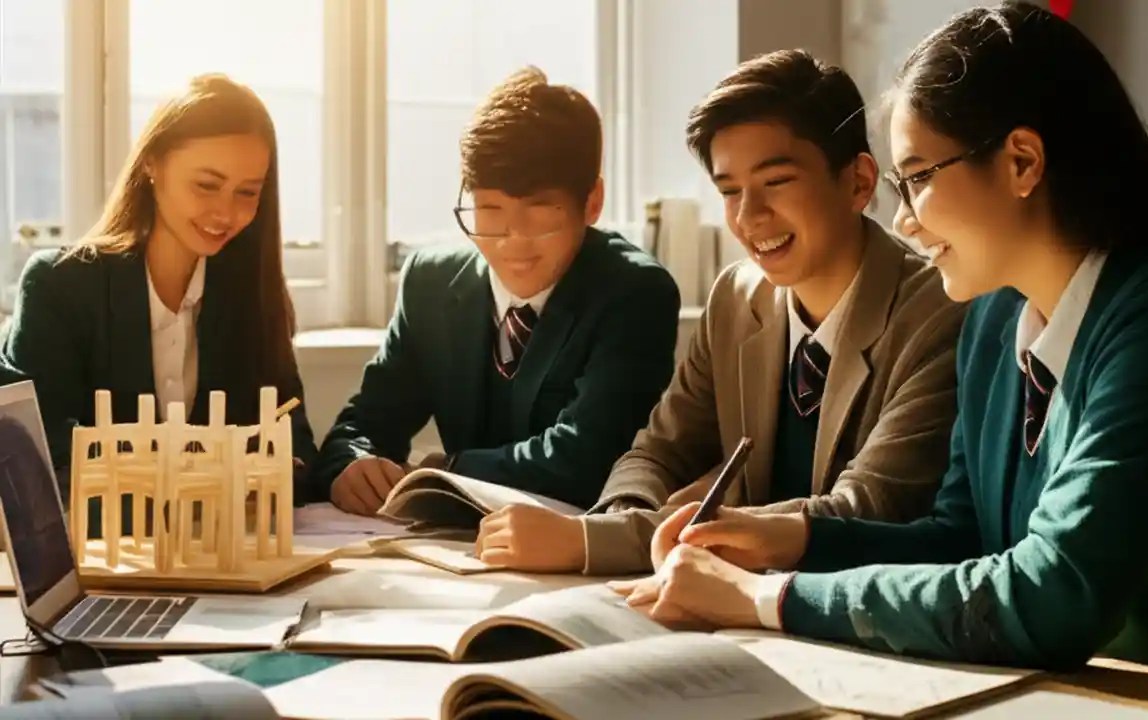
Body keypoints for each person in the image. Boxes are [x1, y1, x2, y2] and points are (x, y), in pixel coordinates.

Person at [609, 3, 1148, 691]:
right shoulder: (993, 321)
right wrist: (790, 541)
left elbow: (1051, 597)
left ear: (1022, 161)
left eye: (921, 177)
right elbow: (958, 538)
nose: (903, 219)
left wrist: (766, 599)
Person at [475, 50, 965, 574]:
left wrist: (597, 544)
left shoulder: (939, 313)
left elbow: (863, 510)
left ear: (858, 182)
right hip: (725, 604)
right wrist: (617, 520)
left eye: (776, 183)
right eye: (730, 192)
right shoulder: (737, 297)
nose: (749, 216)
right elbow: (658, 453)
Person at [311, 67, 680, 516]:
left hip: (574, 553)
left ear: (593, 202)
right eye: (489, 209)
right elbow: (362, 424)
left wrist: (443, 472)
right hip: (449, 558)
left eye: (540, 211)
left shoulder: (635, 292)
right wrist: (352, 464)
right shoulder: (429, 281)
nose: (511, 239)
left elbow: (588, 459)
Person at [3, 74, 317, 530]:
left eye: (247, 193)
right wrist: (187, 489)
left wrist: (269, 474)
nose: (226, 214)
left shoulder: (250, 294)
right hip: (108, 563)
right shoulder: (61, 286)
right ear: (153, 163)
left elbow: (295, 449)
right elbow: (41, 461)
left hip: (222, 562)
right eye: (207, 185)